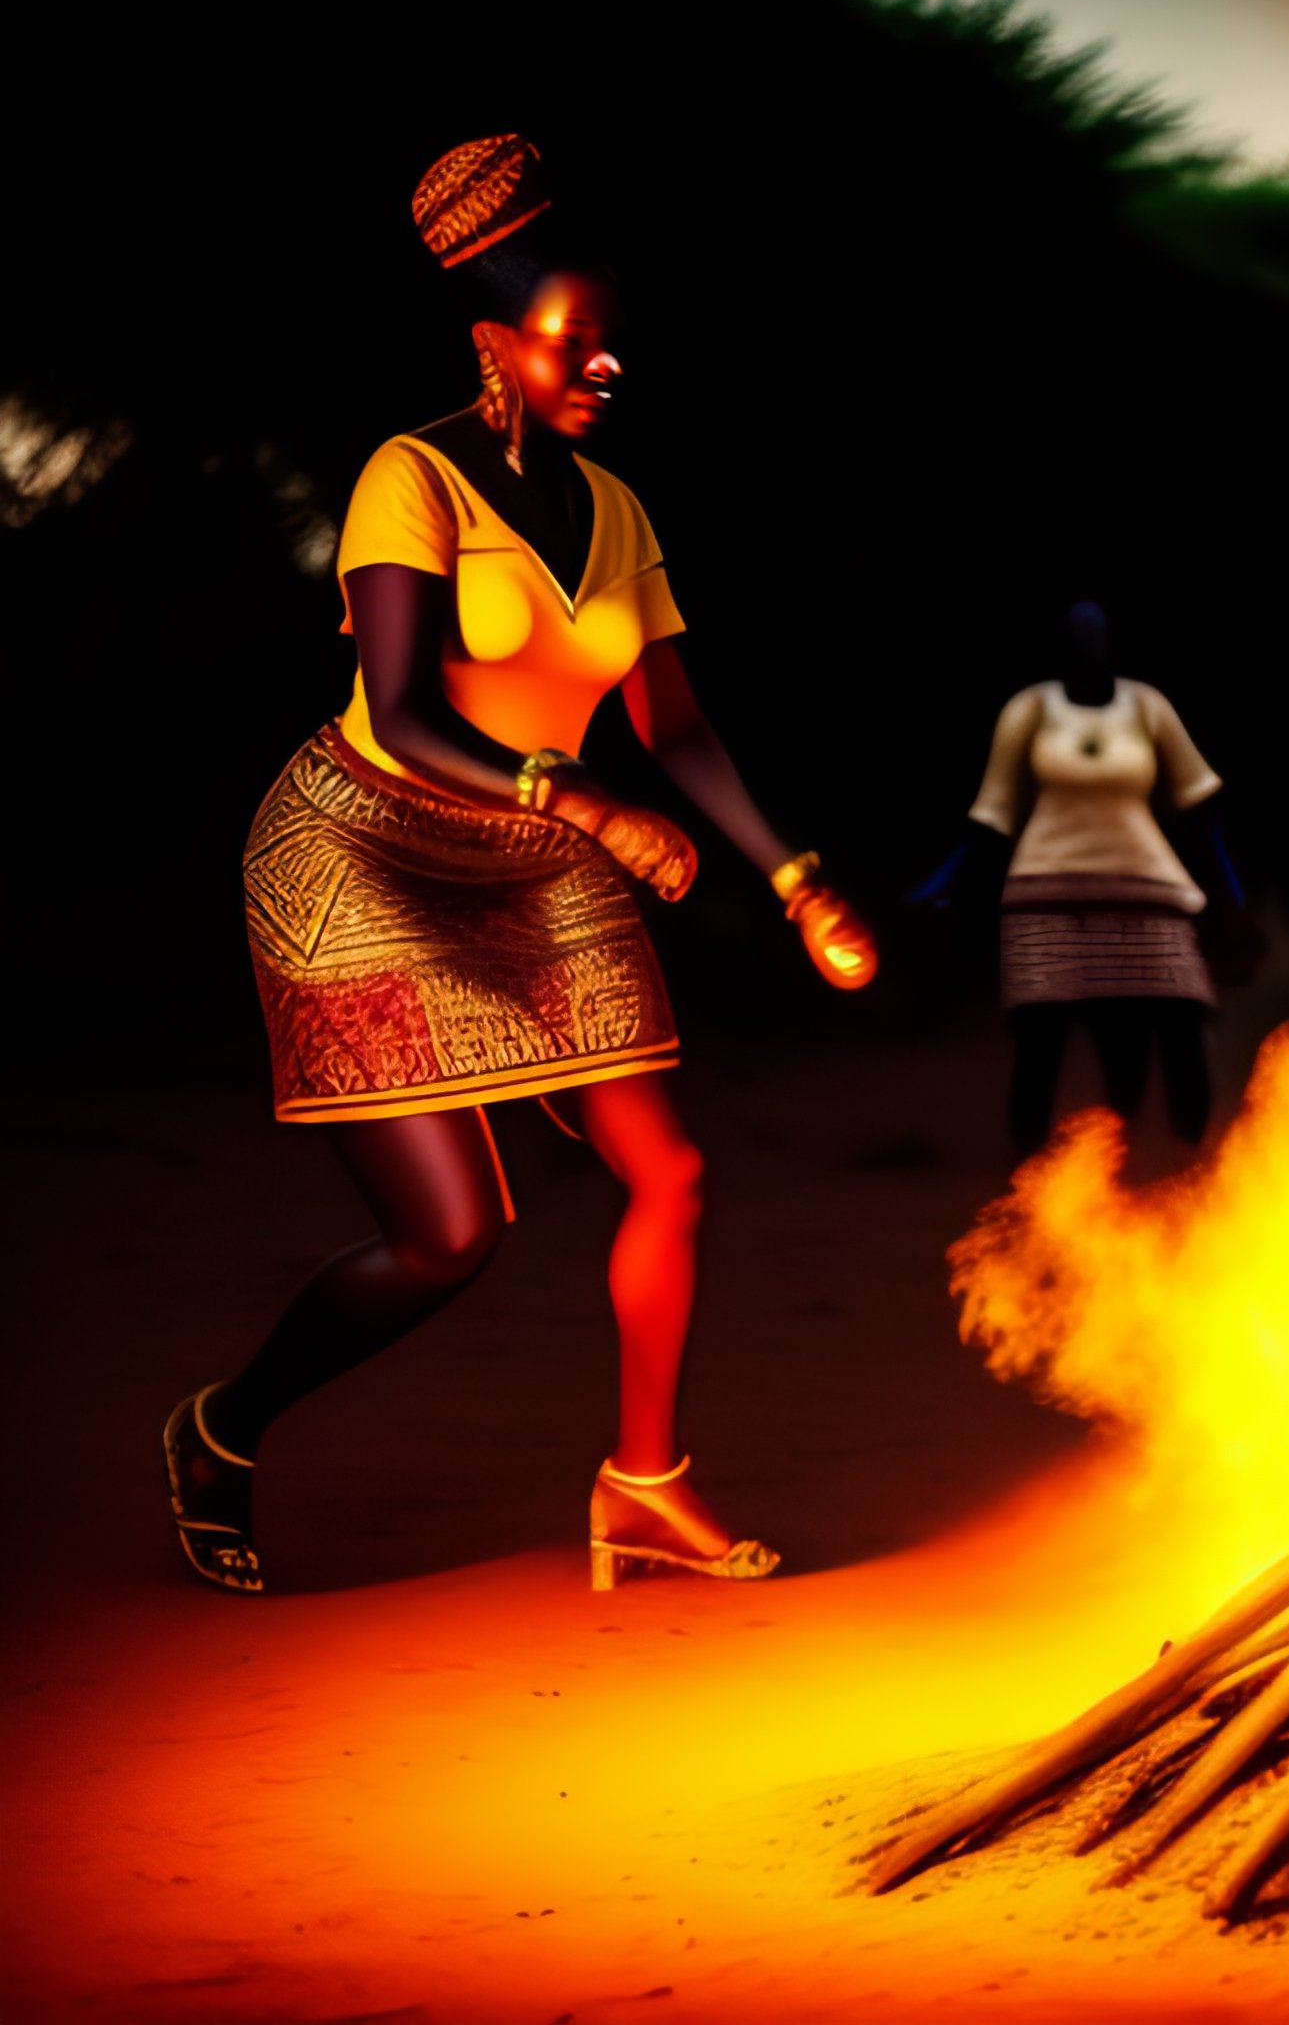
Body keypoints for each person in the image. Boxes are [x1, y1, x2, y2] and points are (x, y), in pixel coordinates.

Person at [168, 136, 877, 1595]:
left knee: (669, 1173)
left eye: (613, 344)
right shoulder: (408, 478)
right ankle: (220, 1431)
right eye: (571, 341)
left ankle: (644, 1487)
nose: (604, 366)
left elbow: (674, 729)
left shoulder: (621, 516)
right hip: (362, 848)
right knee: (450, 1235)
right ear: (494, 343)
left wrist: (796, 880)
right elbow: (414, 709)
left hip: (540, 859)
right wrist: (595, 811)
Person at [923, 601, 1252, 1154]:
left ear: (1113, 642)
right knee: (1038, 1038)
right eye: (1076, 635)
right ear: (1060, 647)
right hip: (1046, 890)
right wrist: (944, 882)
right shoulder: (1028, 710)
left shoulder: (1147, 708)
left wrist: (1231, 892)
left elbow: (1198, 804)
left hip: (1144, 887)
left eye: (1097, 634)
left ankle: (1187, 1161)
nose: (1088, 645)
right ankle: (1027, 1177)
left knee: (1177, 1020)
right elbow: (994, 810)